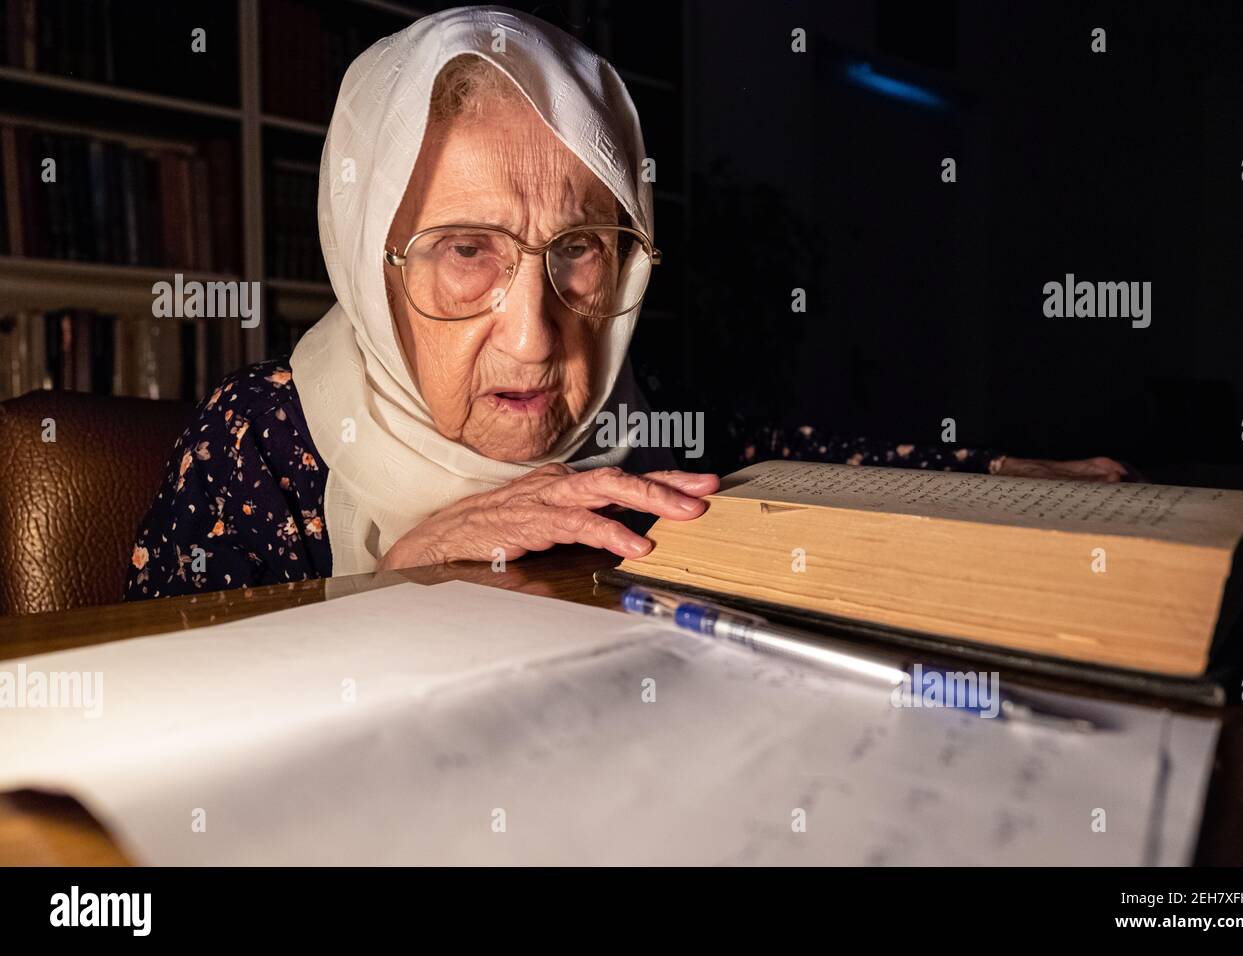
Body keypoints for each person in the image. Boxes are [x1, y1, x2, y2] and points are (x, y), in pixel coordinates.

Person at [125, 7, 1126, 601]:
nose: (534, 332)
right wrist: (406, 568)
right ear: (367, 260)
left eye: (578, 252)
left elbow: (826, 461)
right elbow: (152, 700)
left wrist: (999, 472)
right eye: (466, 250)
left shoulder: (647, 417)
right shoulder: (259, 431)